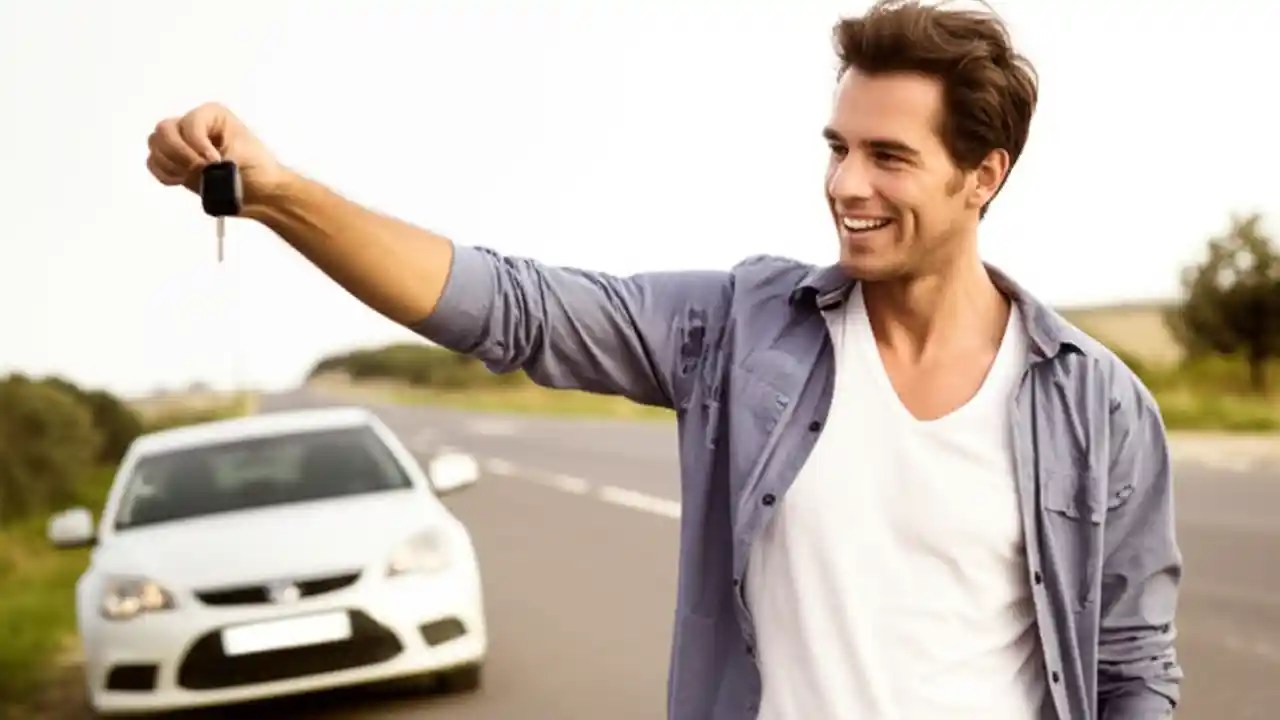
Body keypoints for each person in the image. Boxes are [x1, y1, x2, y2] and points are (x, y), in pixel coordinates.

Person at [145, 1, 1182, 717]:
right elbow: (510, 307)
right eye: (836, 146)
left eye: (888, 156)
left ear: (981, 176)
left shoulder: (1096, 406)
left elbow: (1128, 664)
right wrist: (279, 193)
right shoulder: (740, 328)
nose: (843, 184)